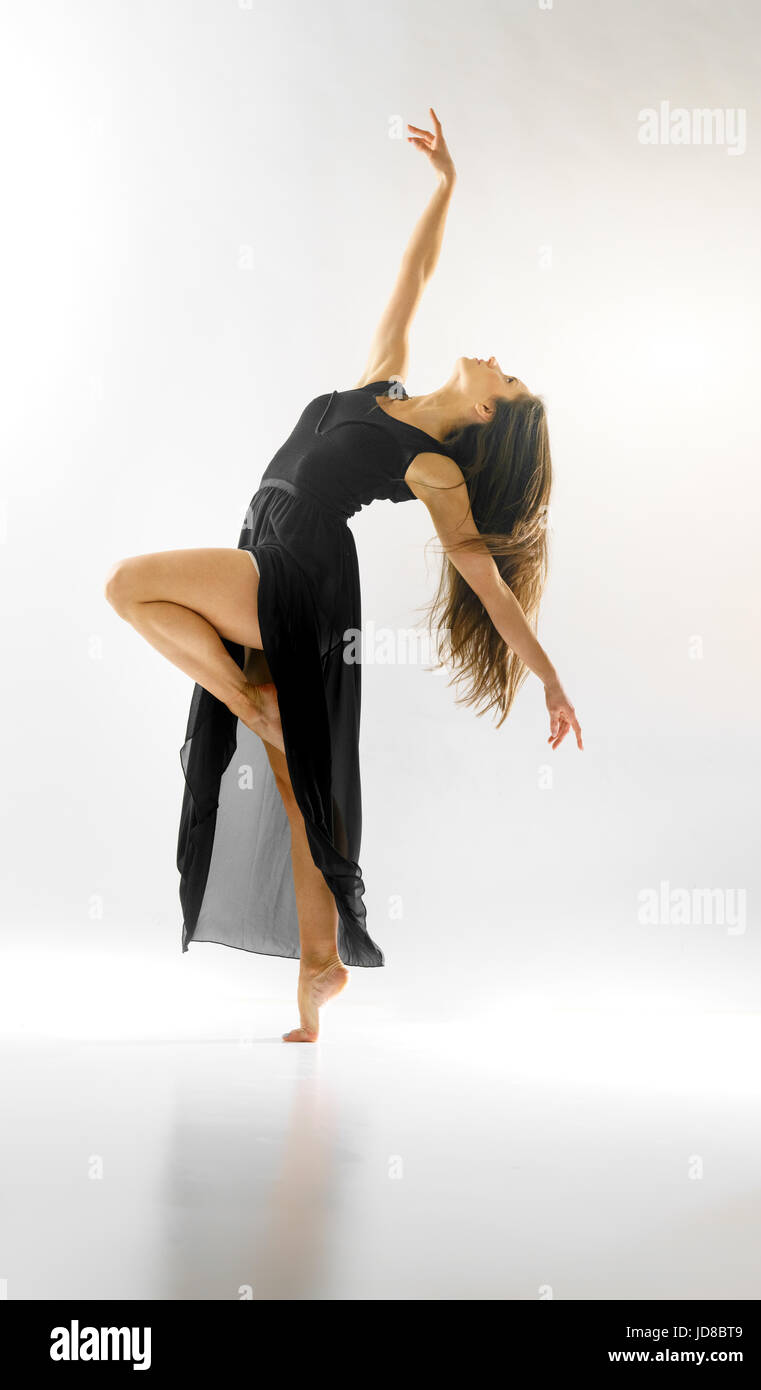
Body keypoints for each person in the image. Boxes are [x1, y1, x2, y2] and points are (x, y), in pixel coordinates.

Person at [104, 108, 583, 1043]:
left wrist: (550, 678)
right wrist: (447, 184)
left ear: (489, 415)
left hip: (297, 568)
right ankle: (319, 973)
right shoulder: (383, 385)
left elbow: (485, 584)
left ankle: (256, 708)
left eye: (510, 379)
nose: (497, 362)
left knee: (128, 584)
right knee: (297, 788)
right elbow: (413, 275)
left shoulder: (432, 468)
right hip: (268, 543)